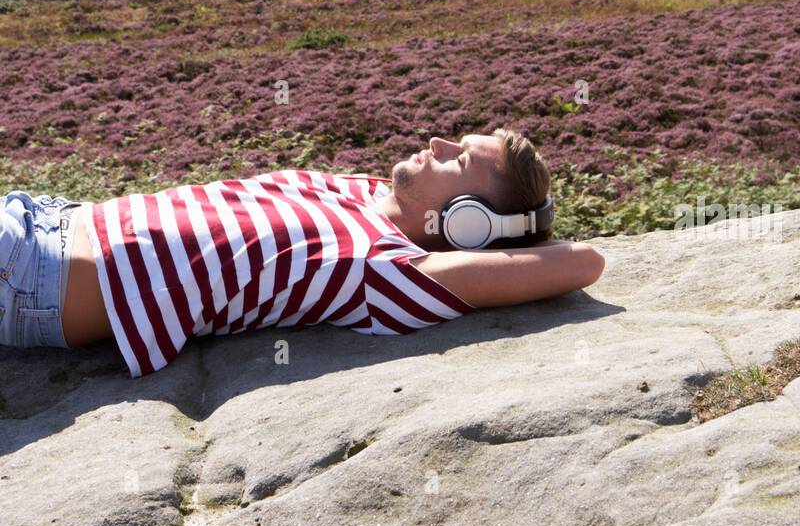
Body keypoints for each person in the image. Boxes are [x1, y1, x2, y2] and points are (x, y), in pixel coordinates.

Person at [0, 128, 605, 379]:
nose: (435, 141)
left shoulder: (384, 272)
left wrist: (528, 223)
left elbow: (583, 263)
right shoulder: (363, 194)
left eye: (459, 160)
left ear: (467, 226)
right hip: (44, 216)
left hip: (31, 274)